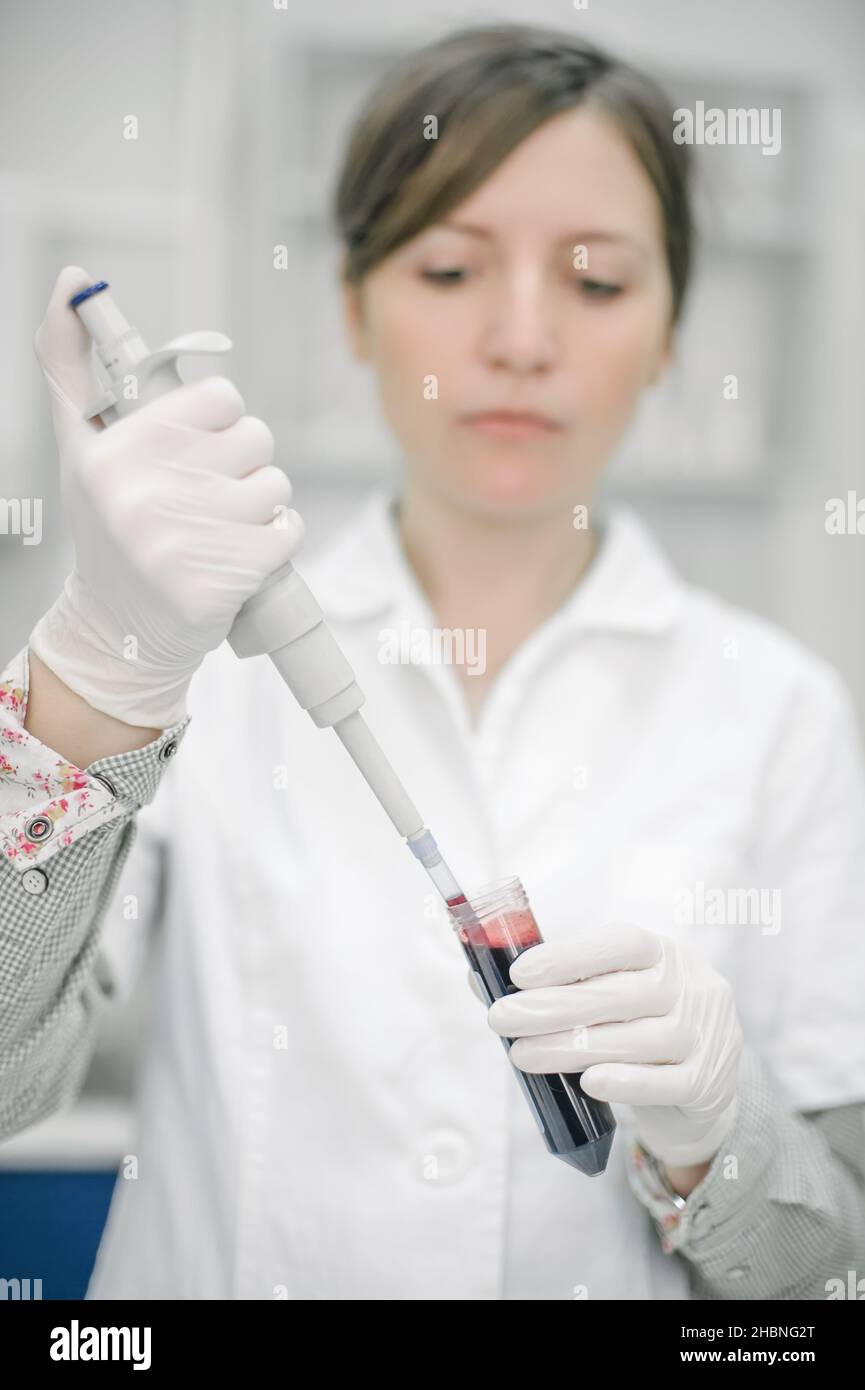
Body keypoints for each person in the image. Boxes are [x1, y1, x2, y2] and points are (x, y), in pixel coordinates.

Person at [2, 22, 864, 1301]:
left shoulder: (778, 709)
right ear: (354, 304)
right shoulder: (203, 661)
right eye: (452, 267)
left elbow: (822, 1250)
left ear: (673, 326)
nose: (521, 337)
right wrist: (95, 681)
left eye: (598, 281)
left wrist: (712, 1141)